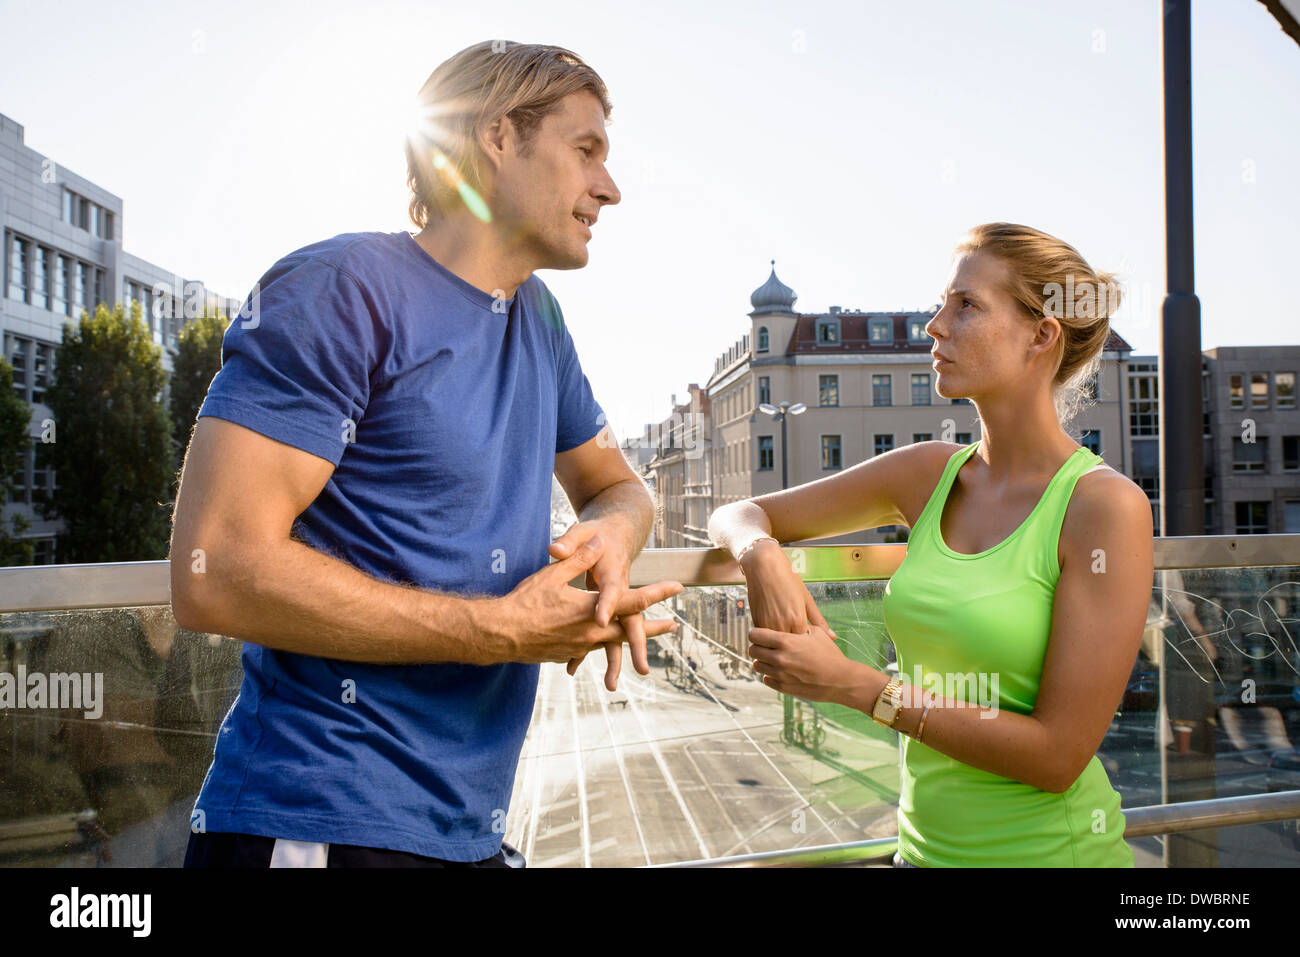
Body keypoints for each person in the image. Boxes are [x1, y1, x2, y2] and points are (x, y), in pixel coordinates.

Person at [169, 40, 681, 868]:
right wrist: (496, 630)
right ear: (498, 136)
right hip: (319, 821)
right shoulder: (340, 287)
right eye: (586, 150)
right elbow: (214, 569)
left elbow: (618, 485)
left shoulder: (540, 321)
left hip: (465, 834)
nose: (609, 187)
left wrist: (609, 540)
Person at [708, 223, 1154, 867]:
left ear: (1041, 335)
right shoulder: (925, 474)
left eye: (966, 305)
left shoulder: (1103, 506)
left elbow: (1057, 758)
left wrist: (857, 687)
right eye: (942, 303)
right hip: (919, 856)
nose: (934, 326)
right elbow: (737, 514)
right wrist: (760, 555)